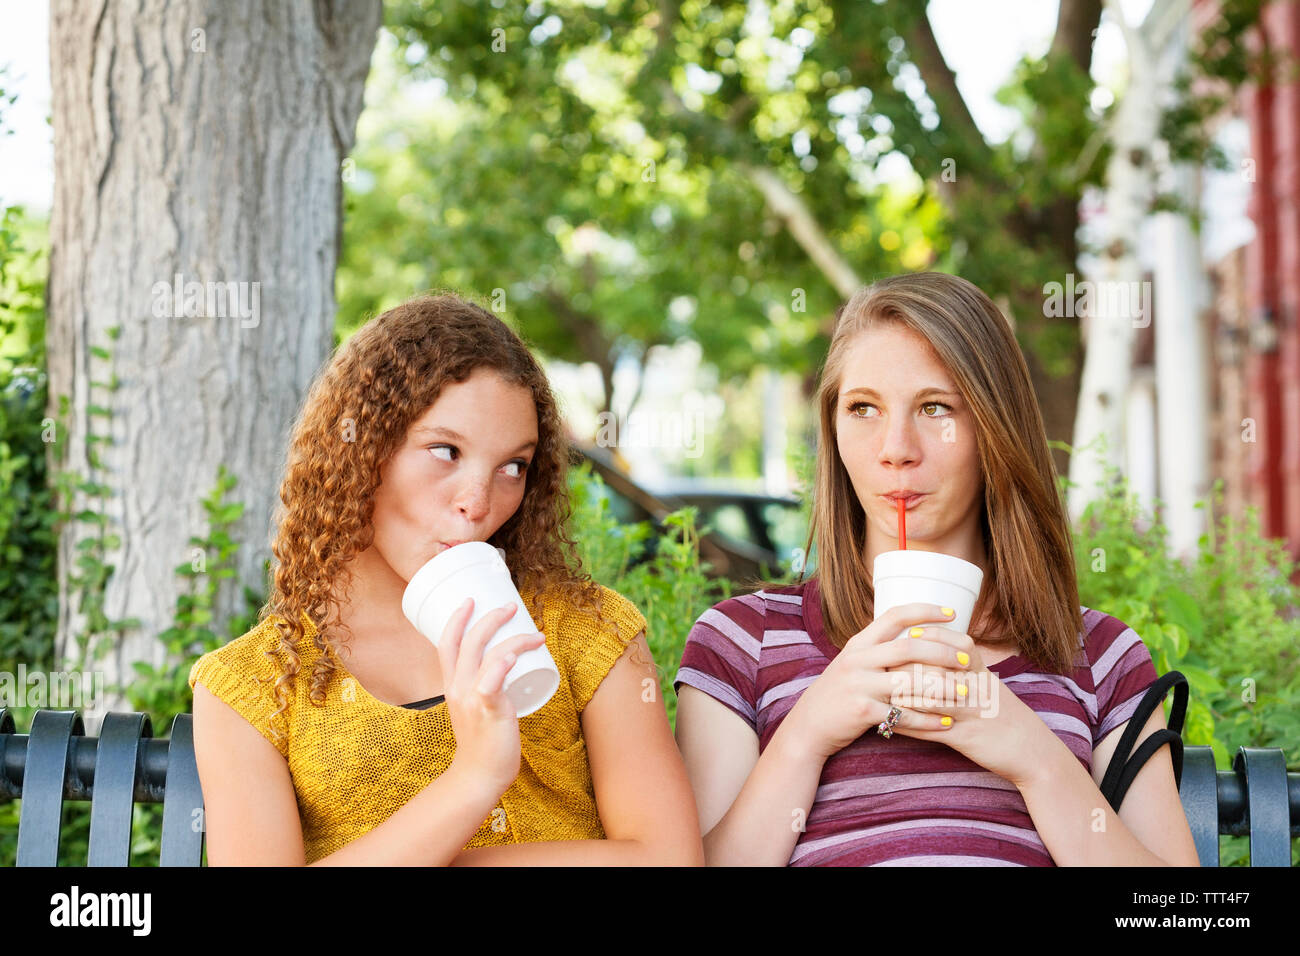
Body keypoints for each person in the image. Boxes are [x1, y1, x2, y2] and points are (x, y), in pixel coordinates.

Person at [672, 272, 1201, 866]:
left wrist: (1034, 755)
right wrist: (807, 733)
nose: (896, 447)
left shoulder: (1101, 657)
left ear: (995, 430)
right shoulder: (745, 641)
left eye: (934, 407)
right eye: (863, 408)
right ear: (833, 429)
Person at [189, 293, 703, 865]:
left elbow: (670, 859)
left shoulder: (586, 630)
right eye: (444, 450)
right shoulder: (252, 687)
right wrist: (475, 777)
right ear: (359, 450)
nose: (478, 502)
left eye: (513, 466)